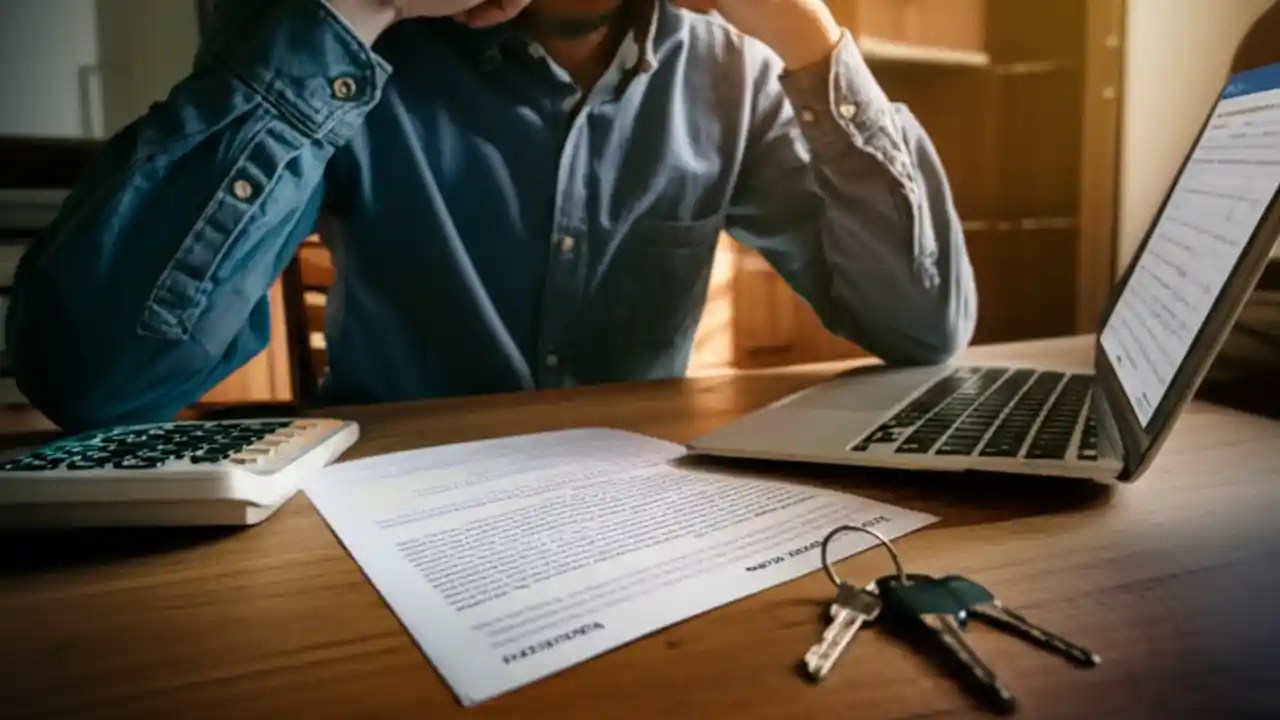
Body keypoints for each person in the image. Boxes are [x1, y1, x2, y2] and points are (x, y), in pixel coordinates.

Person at [8, 0, 976, 431]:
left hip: (632, 522)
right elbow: (92, 379)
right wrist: (362, 2)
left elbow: (920, 325)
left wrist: (808, 40)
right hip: (373, 522)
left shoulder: (728, 66)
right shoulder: (359, 47)